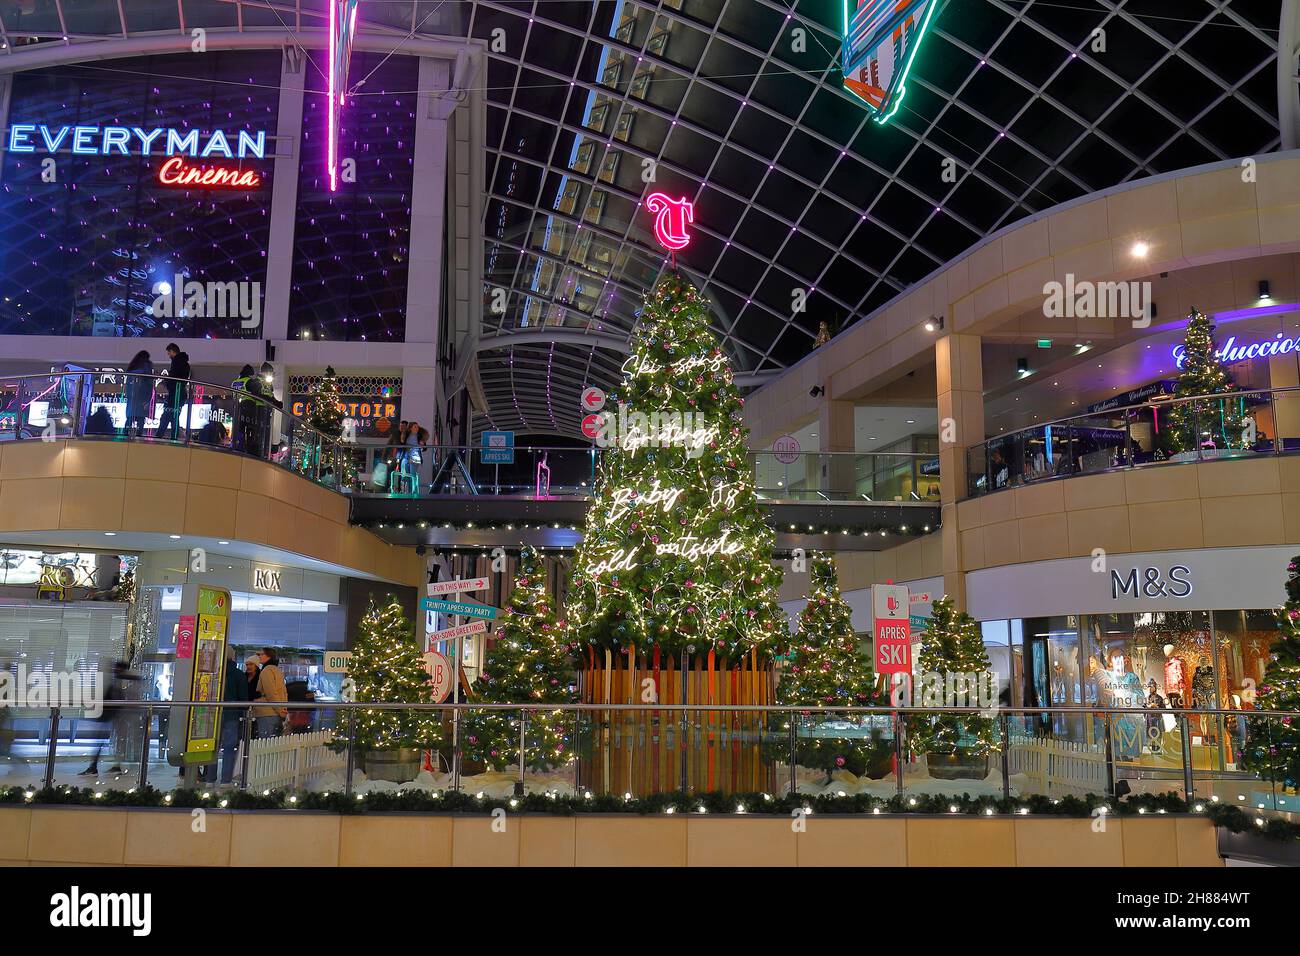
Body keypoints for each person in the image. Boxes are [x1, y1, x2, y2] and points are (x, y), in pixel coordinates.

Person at [79, 660, 141, 776]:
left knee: (113, 741)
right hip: (115, 716)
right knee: (111, 741)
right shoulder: (120, 680)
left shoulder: (125, 680)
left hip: (119, 716)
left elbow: (124, 698)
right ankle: (108, 766)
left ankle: (100, 766)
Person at [155, 343, 190, 440]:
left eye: (168, 353)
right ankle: (172, 438)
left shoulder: (176, 362)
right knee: (174, 417)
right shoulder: (184, 363)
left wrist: (166, 379)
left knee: (167, 416)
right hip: (180, 394)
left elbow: (174, 379)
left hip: (175, 394)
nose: (168, 355)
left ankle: (159, 436)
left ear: (172, 351)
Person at [251, 647, 288, 738]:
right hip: (275, 711)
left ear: (268, 656)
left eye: (261, 654)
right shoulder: (276, 669)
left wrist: (280, 710)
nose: (259, 656)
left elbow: (270, 692)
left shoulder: (267, 670)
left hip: (267, 711)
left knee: (266, 741)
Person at [232, 364, 263, 453]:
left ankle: (238, 446)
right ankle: (249, 448)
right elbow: (257, 394)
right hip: (249, 406)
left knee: (239, 429)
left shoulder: (235, 382)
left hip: (237, 407)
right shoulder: (249, 381)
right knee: (250, 429)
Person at [124, 350, 154, 438]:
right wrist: (148, 398)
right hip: (142, 395)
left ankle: (125, 435)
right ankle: (138, 436)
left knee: (130, 418)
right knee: (141, 419)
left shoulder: (132, 366)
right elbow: (149, 381)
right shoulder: (147, 365)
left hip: (132, 396)